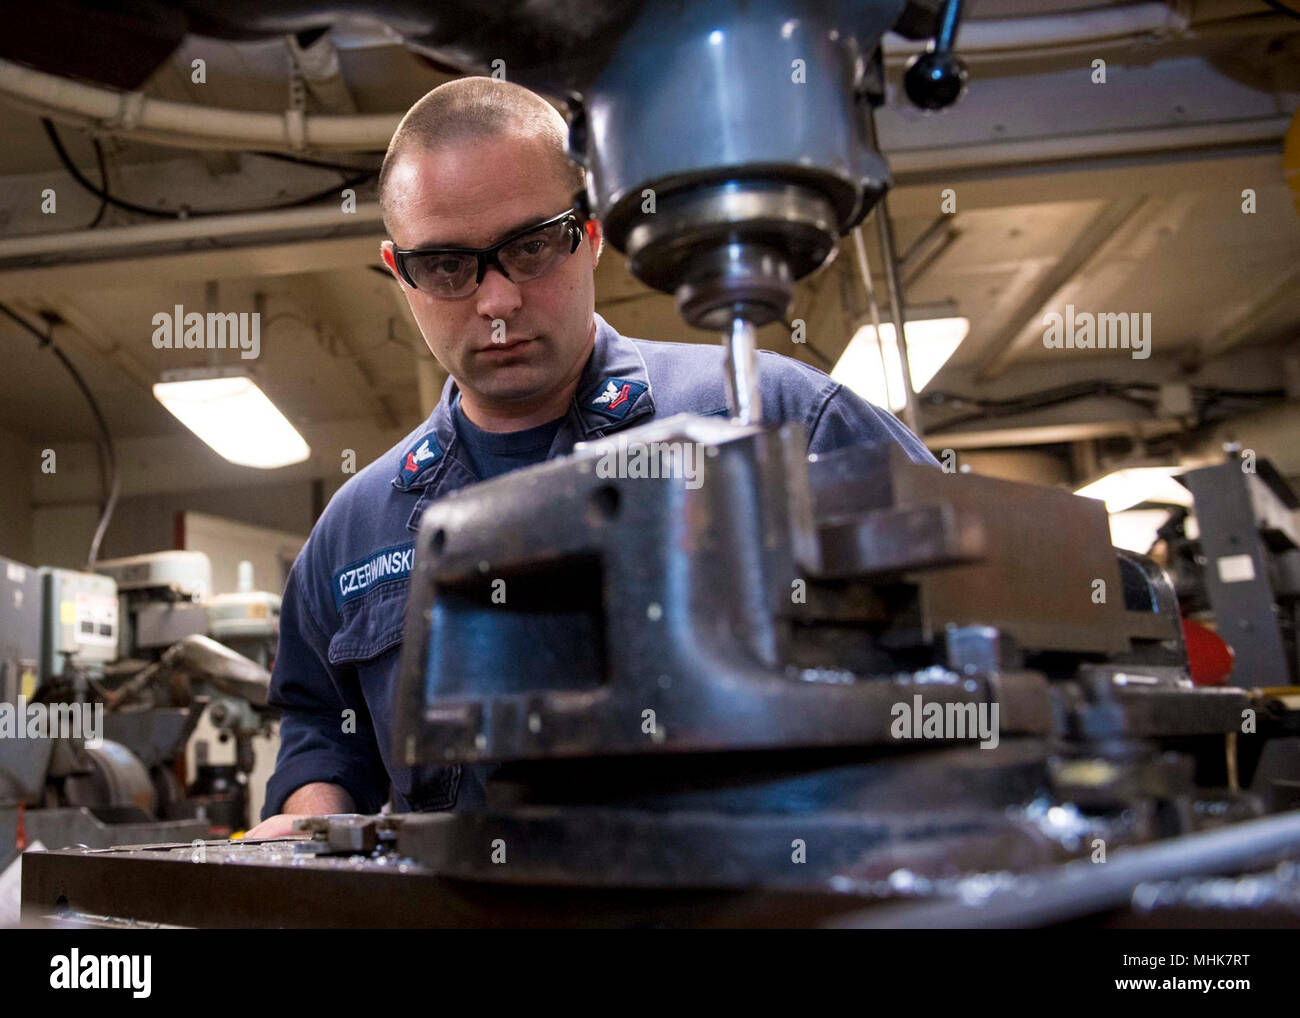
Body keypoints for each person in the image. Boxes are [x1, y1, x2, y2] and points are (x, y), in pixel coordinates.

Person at [246, 76, 937, 838]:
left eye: (532, 246)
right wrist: (312, 818)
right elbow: (321, 727)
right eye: (446, 266)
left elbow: (968, 640)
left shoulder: (782, 421)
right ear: (399, 271)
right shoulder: (354, 530)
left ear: (593, 232)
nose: (497, 301)